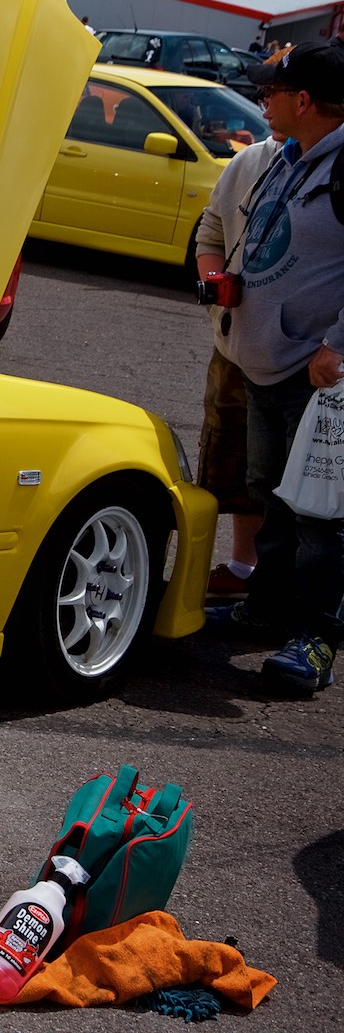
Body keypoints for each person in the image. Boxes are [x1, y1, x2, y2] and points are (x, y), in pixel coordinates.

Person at [209, 38, 344, 693]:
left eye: (273, 89)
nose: (263, 98)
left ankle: (316, 637)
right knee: (272, 493)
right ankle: (269, 607)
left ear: (305, 101)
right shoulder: (284, 158)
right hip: (267, 365)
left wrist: (338, 346)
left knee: (322, 513)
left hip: (314, 375)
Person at [194, 100, 281, 602]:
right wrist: (214, 288)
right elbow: (210, 231)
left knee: (301, 477)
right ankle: (244, 568)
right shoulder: (249, 161)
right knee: (238, 462)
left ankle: (293, 591)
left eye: (280, 92)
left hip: (310, 361)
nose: (266, 104)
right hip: (235, 346)